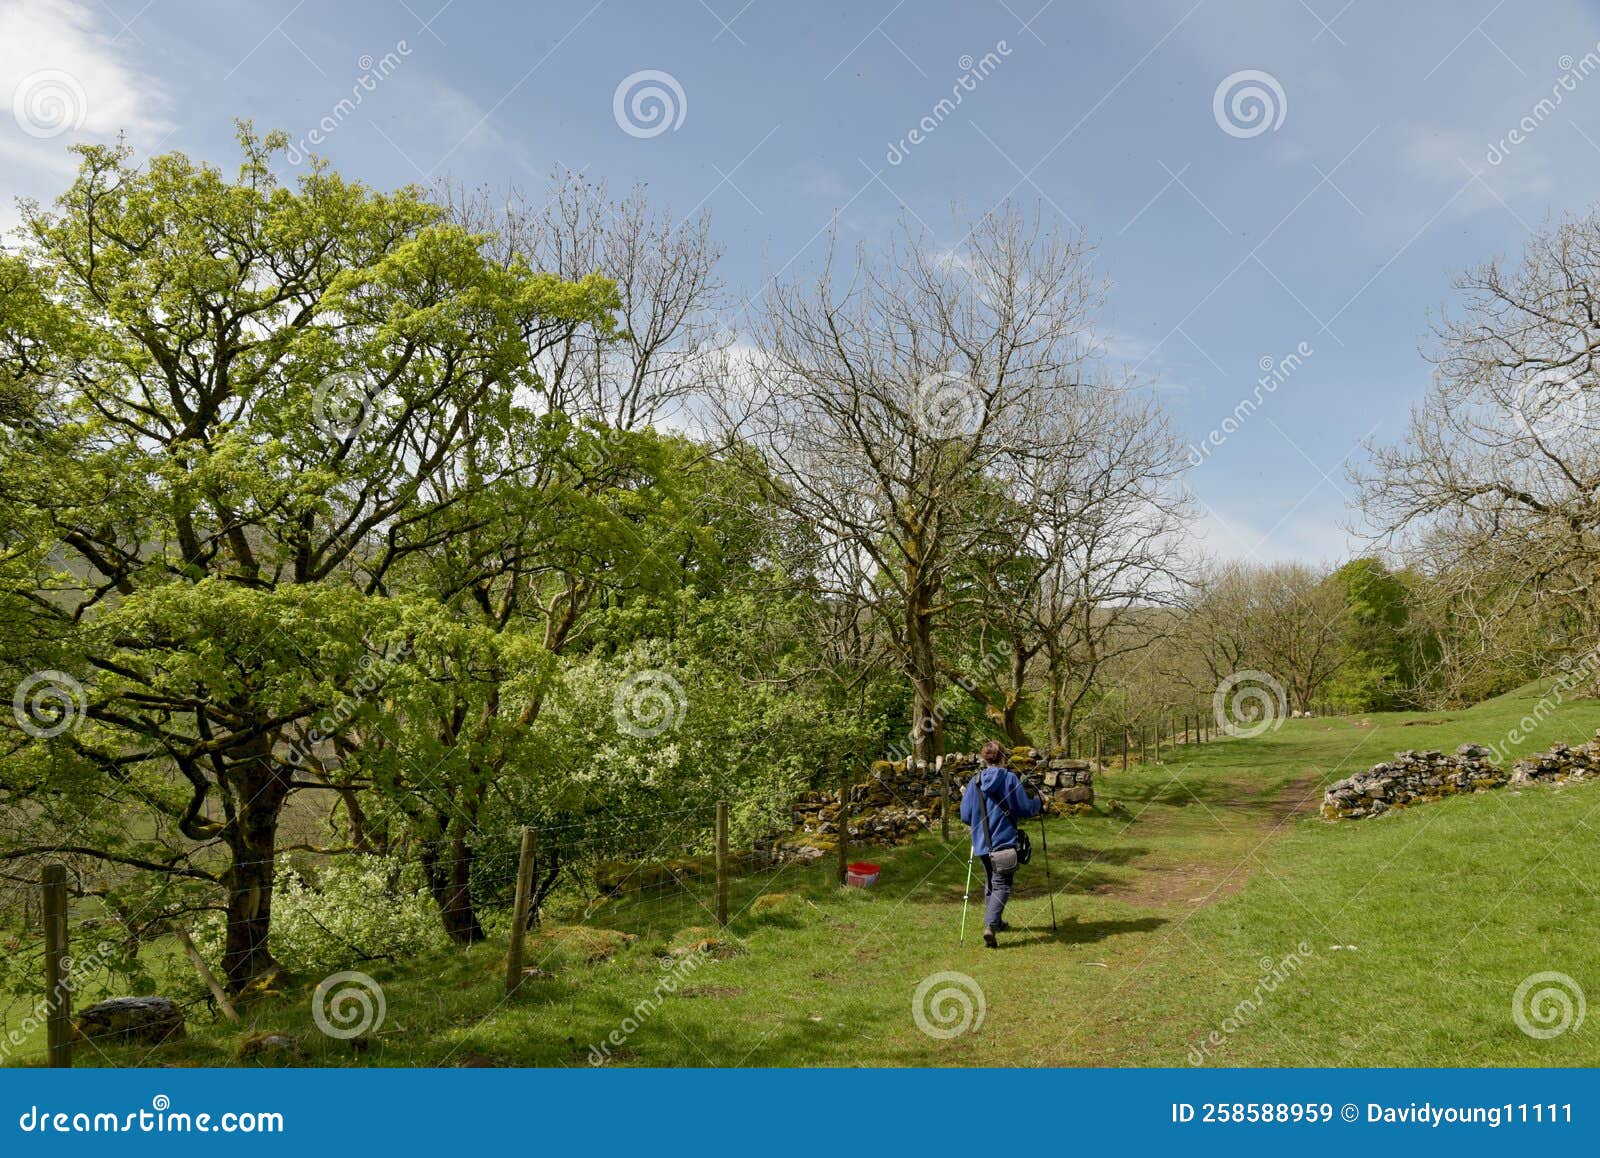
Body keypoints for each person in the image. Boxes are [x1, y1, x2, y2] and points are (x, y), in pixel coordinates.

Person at [959, 740, 1043, 948]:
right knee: (1002, 885)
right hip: (1003, 842)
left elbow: (965, 815)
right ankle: (990, 925)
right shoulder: (1009, 779)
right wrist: (1039, 802)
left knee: (992, 882)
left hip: (981, 843)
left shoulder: (974, 782)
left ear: (984, 758)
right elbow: (1024, 808)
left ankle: (996, 921)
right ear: (1003, 757)